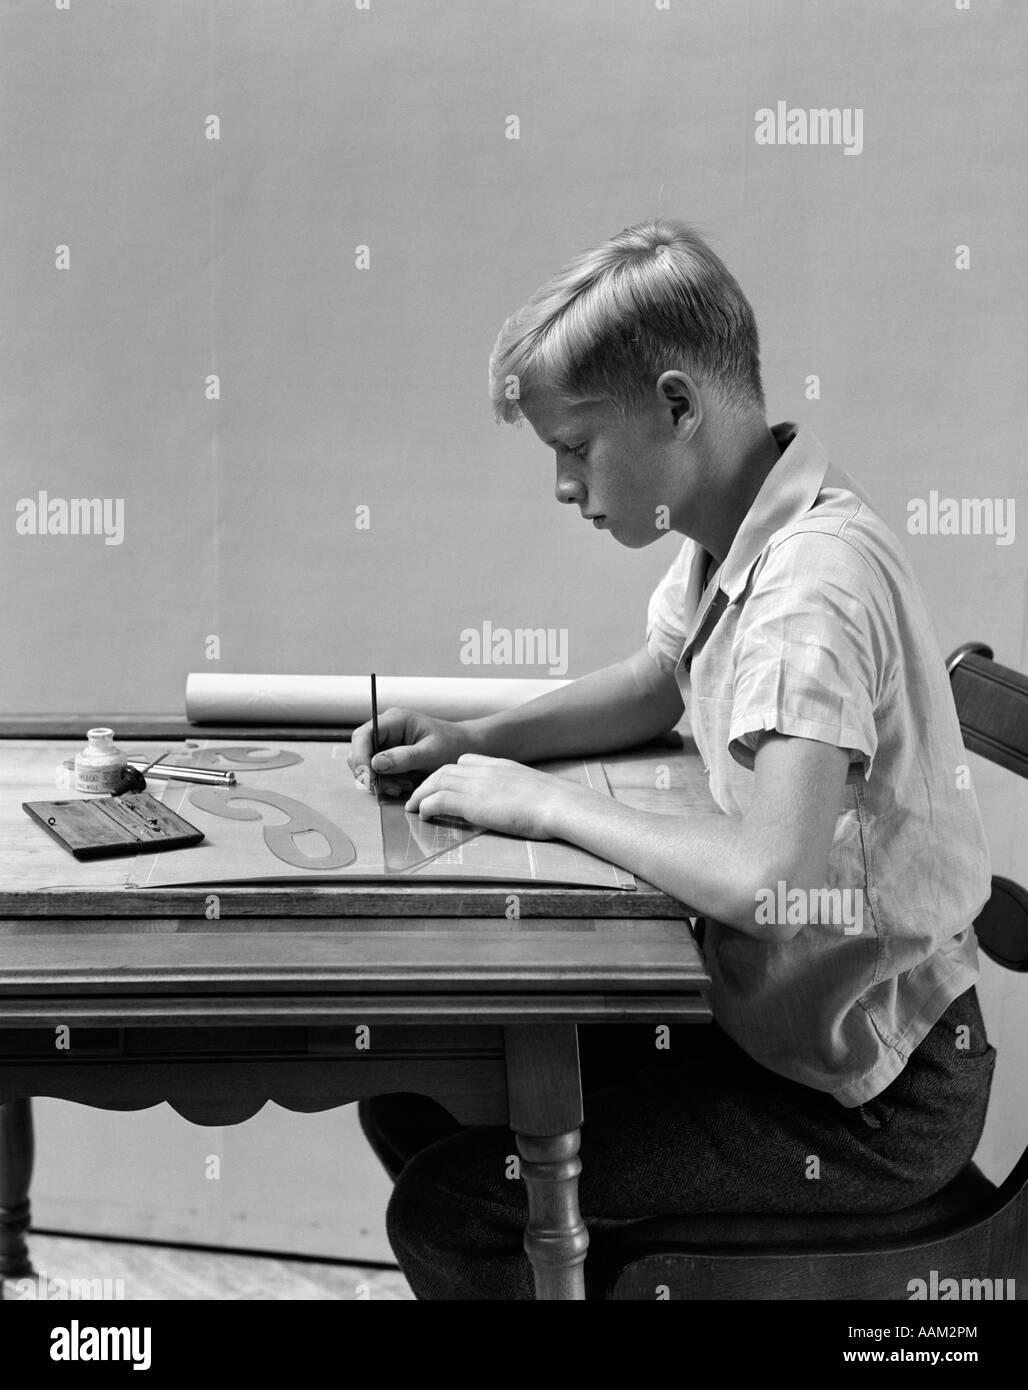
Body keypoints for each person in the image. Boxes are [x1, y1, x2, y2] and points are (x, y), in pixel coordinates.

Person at [346, 218, 997, 1300]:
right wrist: (473, 740)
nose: (561, 485)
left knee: (453, 1201)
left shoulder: (808, 589)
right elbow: (657, 676)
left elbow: (771, 882)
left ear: (676, 405)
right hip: (794, 1038)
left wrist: (537, 807)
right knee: (415, 1093)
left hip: (866, 1098)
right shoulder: (736, 529)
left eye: (574, 445)